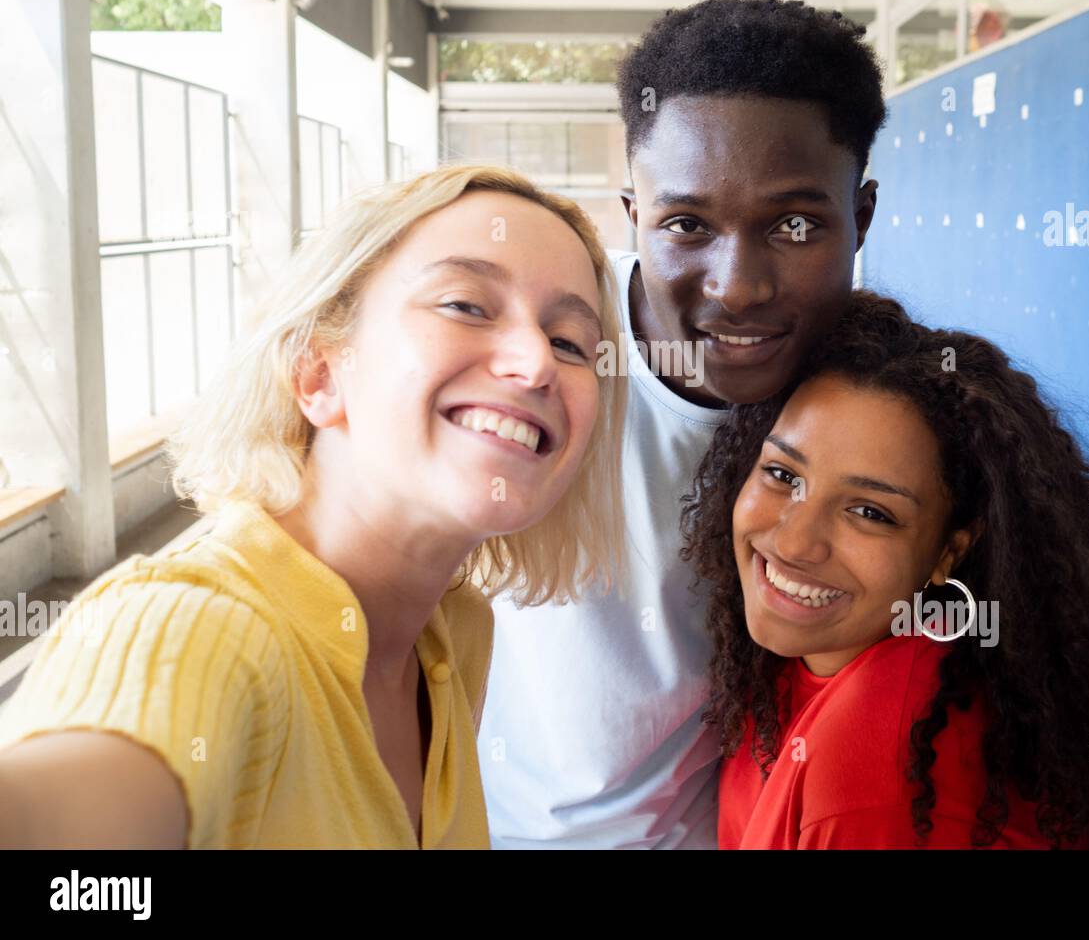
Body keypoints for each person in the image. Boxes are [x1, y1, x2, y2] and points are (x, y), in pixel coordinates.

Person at [0, 164, 626, 849]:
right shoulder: (196, 623)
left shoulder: (455, 632)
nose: (535, 360)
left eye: (570, 342)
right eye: (466, 305)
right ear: (318, 372)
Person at [476, 0, 889, 847]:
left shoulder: (883, 402)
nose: (737, 284)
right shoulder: (536, 358)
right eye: (687, 225)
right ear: (632, 217)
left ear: (863, 218)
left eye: (796, 224)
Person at [681, 291, 1089, 849]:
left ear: (948, 551)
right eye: (782, 474)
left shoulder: (873, 771)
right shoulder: (804, 658)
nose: (795, 540)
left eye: (870, 512)